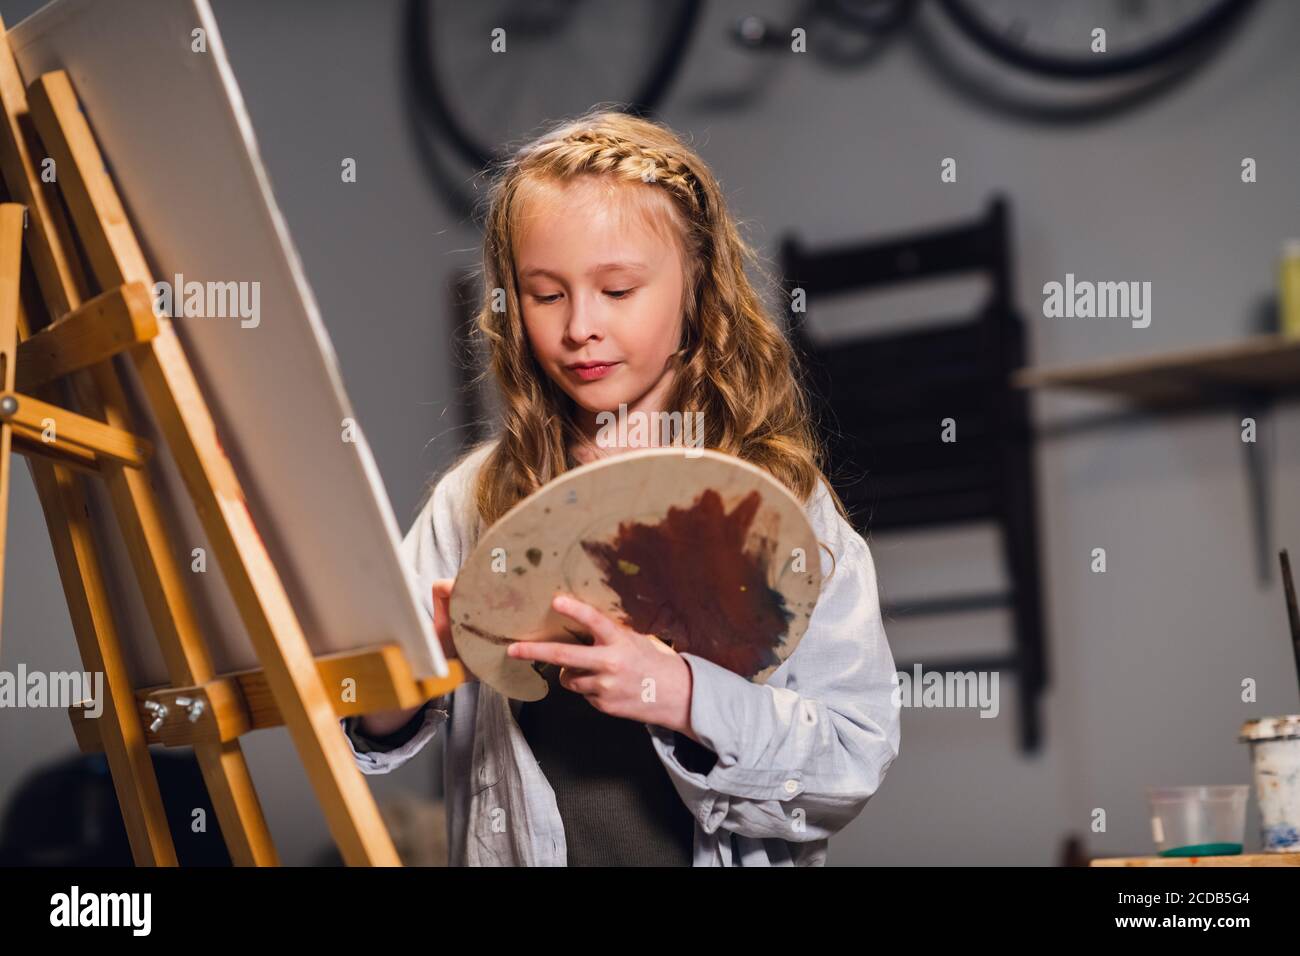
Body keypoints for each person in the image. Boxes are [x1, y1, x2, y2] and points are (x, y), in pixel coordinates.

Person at [340, 109, 900, 866]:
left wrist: (682, 694)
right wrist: (411, 672)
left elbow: (851, 760)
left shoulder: (780, 500)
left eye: (618, 289)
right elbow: (373, 730)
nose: (580, 327)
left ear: (697, 287)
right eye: (545, 294)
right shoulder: (474, 501)